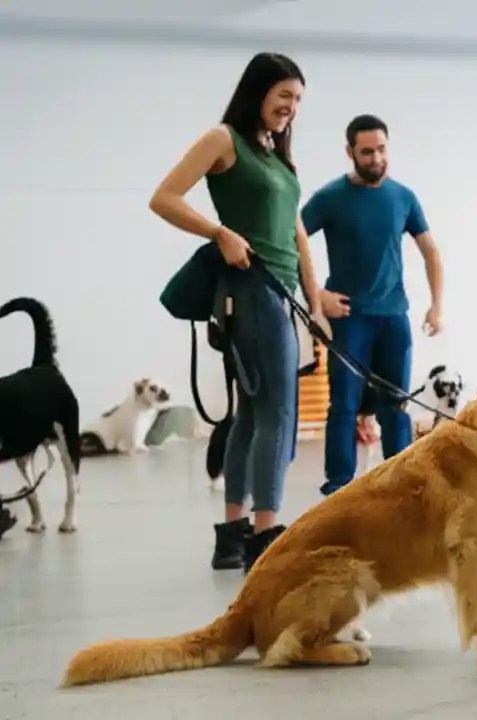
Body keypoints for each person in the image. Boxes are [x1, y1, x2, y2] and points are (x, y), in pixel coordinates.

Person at [148, 52, 329, 571]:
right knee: (278, 414)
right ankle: (266, 539)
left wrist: (314, 303)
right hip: (250, 291)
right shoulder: (223, 140)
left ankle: (232, 535)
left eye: (297, 101)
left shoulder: (274, 153)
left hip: (280, 294)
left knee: (251, 416)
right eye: (283, 97)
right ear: (258, 92)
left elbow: (296, 235)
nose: (291, 109)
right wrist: (218, 232)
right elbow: (164, 198)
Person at [300, 114, 445, 496]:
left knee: (395, 403)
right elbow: (290, 241)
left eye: (381, 150)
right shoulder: (330, 198)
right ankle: (339, 488)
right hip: (350, 318)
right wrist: (316, 294)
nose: (376, 158)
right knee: (344, 405)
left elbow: (431, 252)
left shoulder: (403, 197)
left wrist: (436, 306)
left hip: (393, 316)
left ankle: (402, 483)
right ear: (350, 152)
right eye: (367, 152)